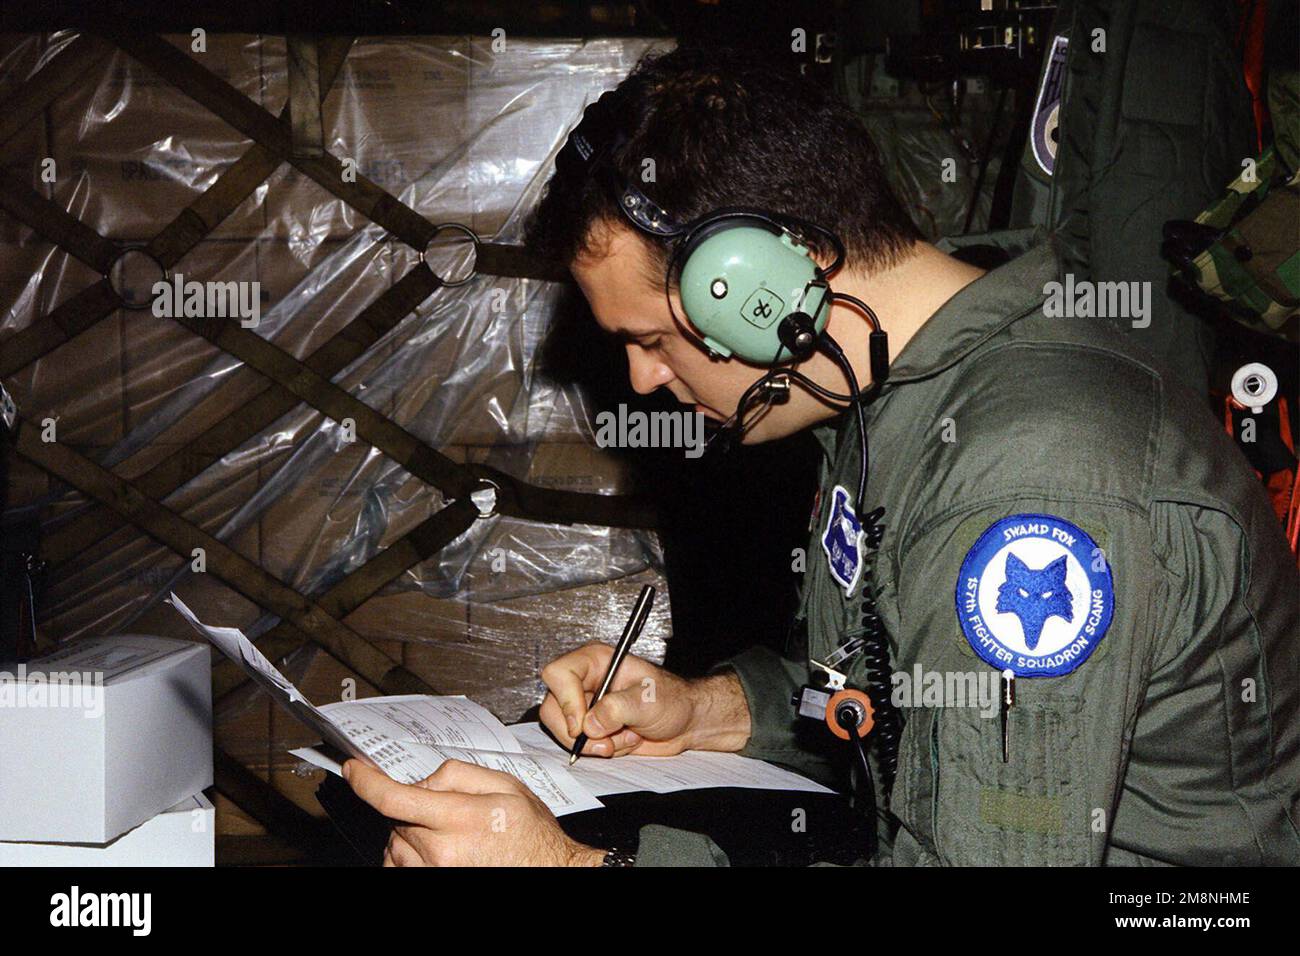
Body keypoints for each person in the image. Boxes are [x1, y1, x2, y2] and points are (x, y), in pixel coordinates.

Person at [344, 46, 1299, 867]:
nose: (640, 381)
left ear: (760, 287)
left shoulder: (1028, 479)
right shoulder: (901, 396)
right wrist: (712, 708)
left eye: (653, 338)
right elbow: (911, 693)